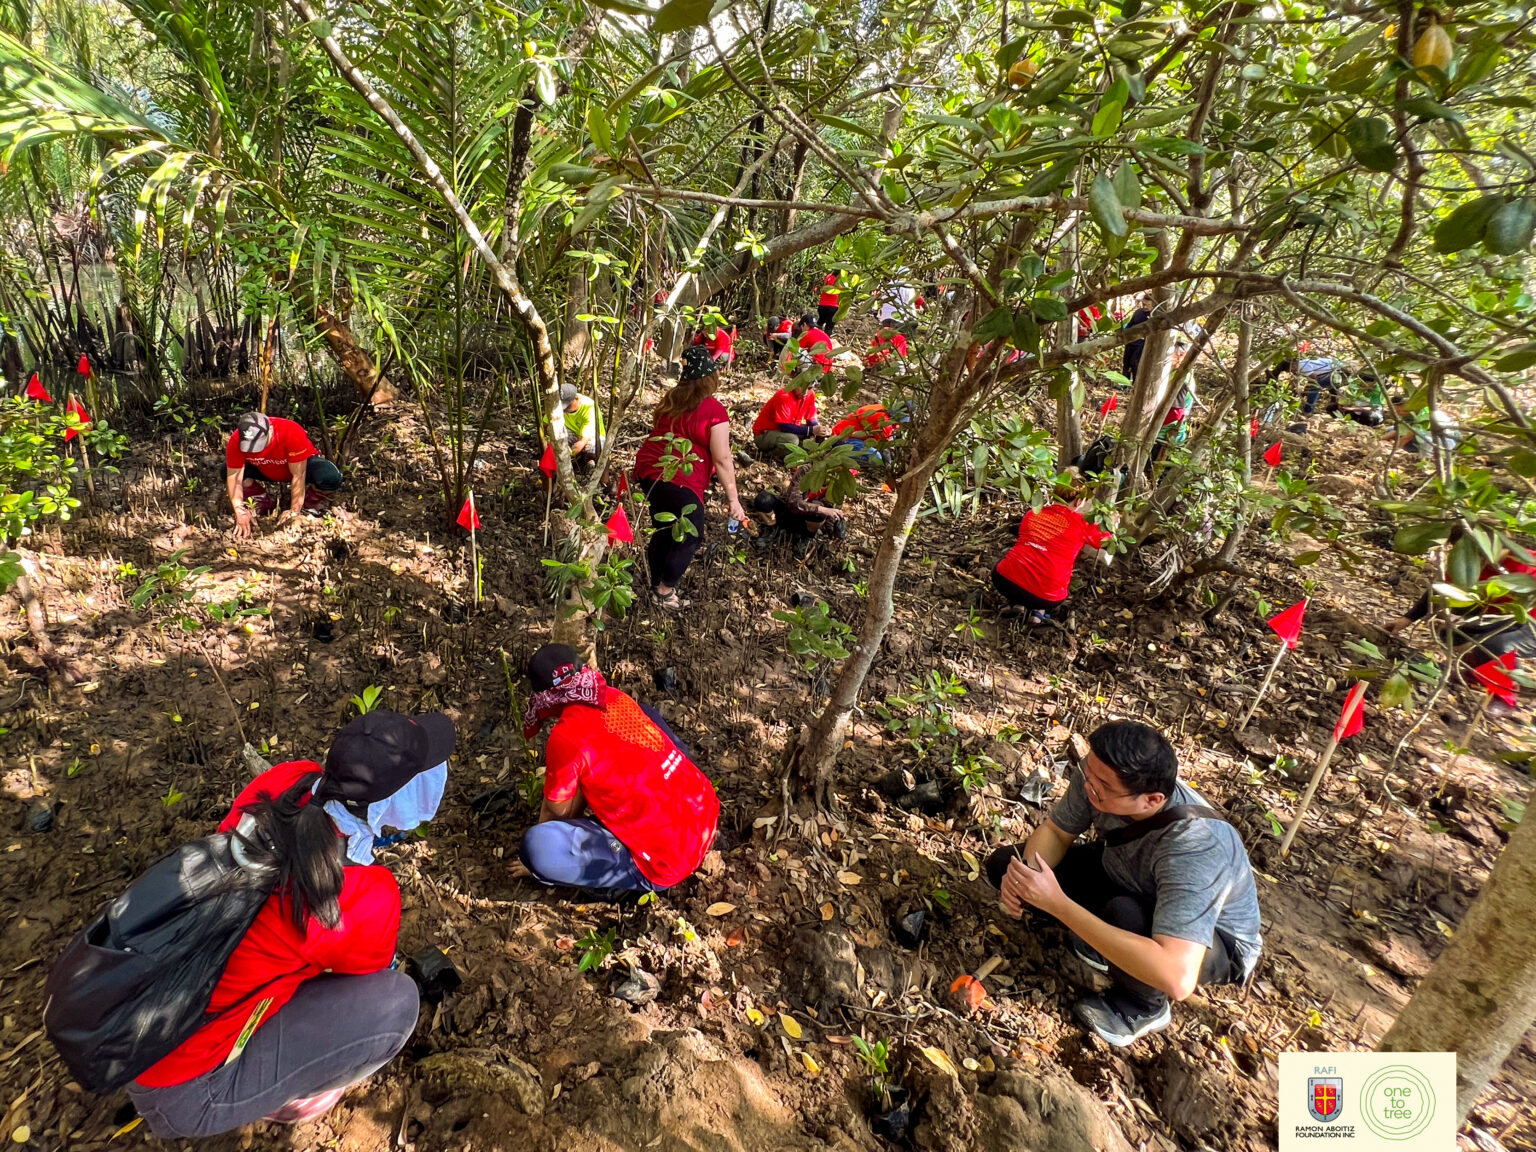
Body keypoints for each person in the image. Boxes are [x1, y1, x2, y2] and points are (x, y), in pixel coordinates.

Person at [126, 710, 456, 1138]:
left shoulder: (289, 779)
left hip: (139, 1018)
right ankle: (285, 1096)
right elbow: (367, 974)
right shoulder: (364, 893)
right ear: (393, 806)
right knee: (395, 1003)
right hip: (185, 1092)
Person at [986, 721, 1263, 1047]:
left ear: (1151, 800)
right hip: (1124, 873)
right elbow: (1057, 833)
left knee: (1125, 916)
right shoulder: (1097, 774)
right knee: (1004, 865)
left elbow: (1177, 976)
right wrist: (1028, 876)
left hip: (1211, 940)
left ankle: (1143, 1006)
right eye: (1088, 773)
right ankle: (1105, 941)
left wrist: (1059, 905)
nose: (1089, 786)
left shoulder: (1196, 847)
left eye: (1102, 785)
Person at [514, 645, 719, 897]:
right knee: (647, 713)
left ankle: (622, 879)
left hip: (665, 863)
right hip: (704, 815)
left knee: (537, 846)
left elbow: (555, 812)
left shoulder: (566, 736)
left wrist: (538, 863)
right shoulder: (615, 696)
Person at [632, 345, 749, 610]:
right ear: (711, 378)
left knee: (665, 528)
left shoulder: (671, 400)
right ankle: (664, 592)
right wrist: (734, 500)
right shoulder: (714, 410)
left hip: (650, 470)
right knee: (690, 534)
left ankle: (656, 583)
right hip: (679, 476)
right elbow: (722, 458)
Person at [1386, 542, 1536, 667]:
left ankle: (1514, 684)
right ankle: (1471, 662)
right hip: (1487, 616)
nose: (1485, 559)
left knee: (1496, 646)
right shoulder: (1466, 561)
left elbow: (1515, 618)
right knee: (1448, 633)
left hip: (1527, 624)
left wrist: (1468, 625)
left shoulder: (1528, 562)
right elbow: (1443, 590)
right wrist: (1406, 619)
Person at [993, 498, 1113, 623]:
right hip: (1045, 597)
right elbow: (1108, 544)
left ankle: (1016, 604)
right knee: (1053, 578)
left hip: (1004, 582)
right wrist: (1110, 524)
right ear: (1079, 501)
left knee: (1016, 560)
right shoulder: (1081, 523)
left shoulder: (1034, 512)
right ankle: (1039, 612)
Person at [225, 412, 343, 538]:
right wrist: (239, 511)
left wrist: (294, 511)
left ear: (270, 430)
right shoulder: (236, 439)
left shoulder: (290, 432)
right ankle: (262, 501)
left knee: (330, 477)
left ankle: (310, 503)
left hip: (299, 465)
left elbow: (299, 475)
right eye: (250, 446)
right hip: (264, 468)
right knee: (225, 471)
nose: (256, 450)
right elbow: (235, 477)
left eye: (259, 444)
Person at [752, 463, 848, 553]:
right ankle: (771, 529)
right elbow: (793, 501)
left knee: (821, 514)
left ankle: (807, 537)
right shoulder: (806, 470)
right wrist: (820, 509)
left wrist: (835, 535)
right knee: (763, 499)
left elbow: (832, 515)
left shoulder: (836, 487)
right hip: (786, 512)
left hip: (806, 522)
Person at [752, 377, 822, 458]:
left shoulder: (810, 395)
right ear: (794, 383)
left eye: (809, 388)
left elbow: (811, 419)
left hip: (786, 431)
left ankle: (793, 455)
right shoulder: (784, 395)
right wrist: (811, 430)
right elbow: (785, 427)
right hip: (764, 434)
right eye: (802, 387)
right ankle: (769, 455)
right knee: (792, 441)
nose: (805, 392)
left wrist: (819, 429)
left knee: (811, 441)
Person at [559, 383, 604, 472]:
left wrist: (580, 444)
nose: (565, 409)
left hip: (591, 436)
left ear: (576, 399)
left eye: (568, 405)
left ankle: (586, 462)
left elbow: (586, 435)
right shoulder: (558, 405)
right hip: (571, 433)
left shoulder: (589, 406)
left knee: (596, 448)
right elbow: (547, 423)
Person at [1120, 296, 1153, 382]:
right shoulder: (1138, 312)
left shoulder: (1153, 315)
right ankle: (1124, 382)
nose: (1145, 307)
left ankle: (1136, 383)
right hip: (1131, 341)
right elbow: (1130, 325)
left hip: (1141, 343)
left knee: (1135, 363)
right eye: (1144, 304)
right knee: (1126, 363)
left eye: (1148, 305)